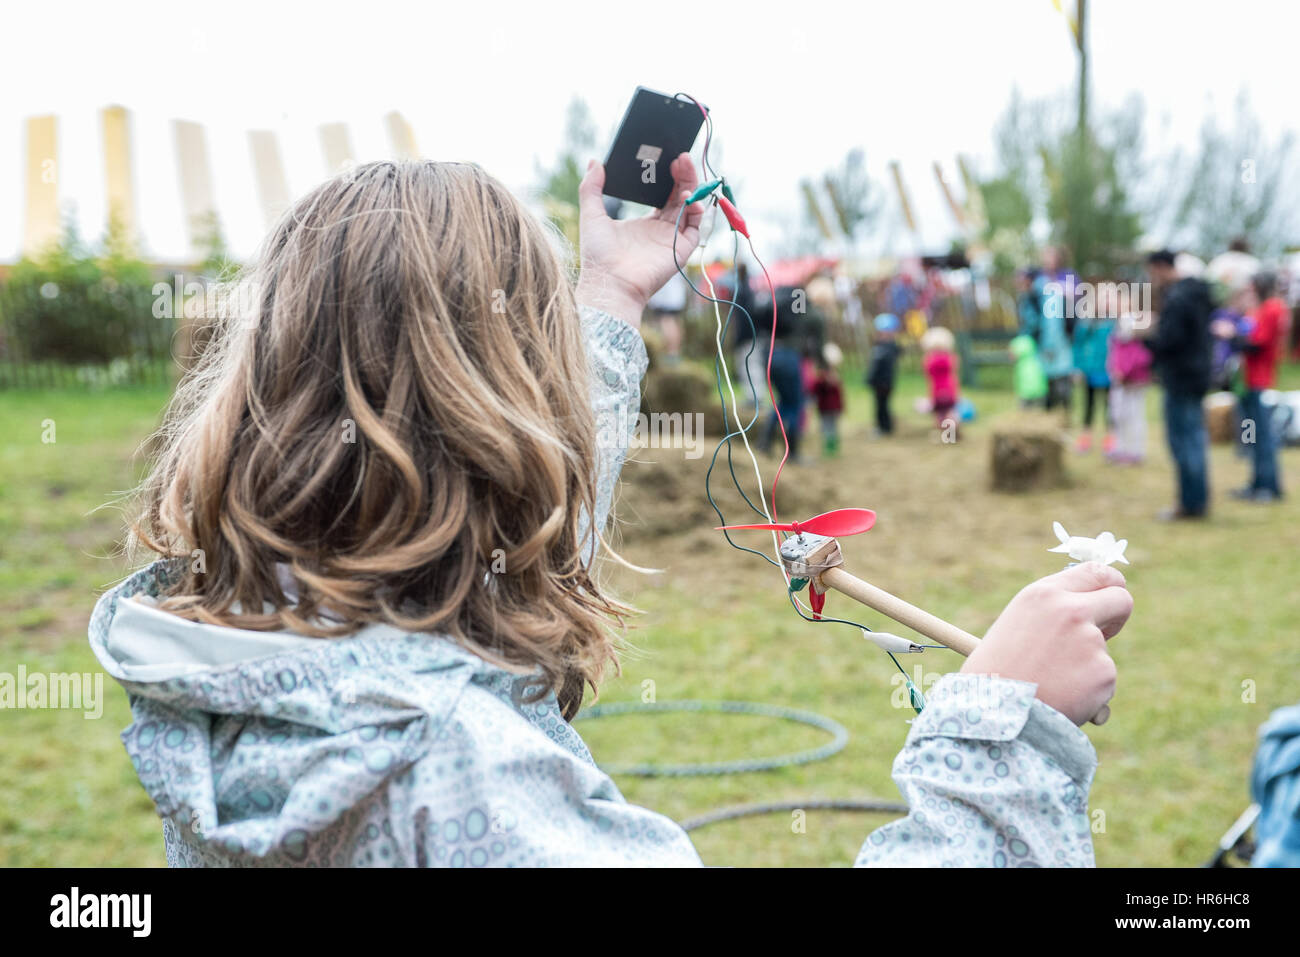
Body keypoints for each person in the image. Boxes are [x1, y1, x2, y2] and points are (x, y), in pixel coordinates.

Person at [88, 156, 1132, 867]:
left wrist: (608, 298)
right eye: (533, 350)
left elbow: (484, 563)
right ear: (496, 398)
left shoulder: (241, 643)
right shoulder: (453, 766)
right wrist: (1002, 733)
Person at [1145, 249, 1215, 520]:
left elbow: (1169, 342)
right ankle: (1196, 500)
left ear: (1162, 267)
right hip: (1197, 375)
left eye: (1153, 272)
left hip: (1180, 377)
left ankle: (1190, 504)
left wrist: (1145, 337)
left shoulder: (1178, 297)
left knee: (1183, 441)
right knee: (1194, 438)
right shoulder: (1198, 294)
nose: (1153, 279)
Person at [1224, 272, 1287, 501]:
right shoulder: (1259, 309)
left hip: (1259, 382)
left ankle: (1268, 486)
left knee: (1262, 435)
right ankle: (1257, 481)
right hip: (1247, 382)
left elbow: (1257, 344)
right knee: (1250, 434)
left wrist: (1232, 335)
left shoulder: (1272, 308)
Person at [1106, 310, 1153, 465]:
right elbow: (1113, 359)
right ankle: (1120, 448)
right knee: (1118, 416)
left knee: (1135, 416)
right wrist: (1116, 372)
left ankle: (1135, 450)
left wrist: (1124, 372)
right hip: (1120, 385)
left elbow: (1139, 361)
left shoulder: (1139, 345)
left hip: (1134, 385)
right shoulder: (1116, 342)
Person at [1072, 304, 1116, 453]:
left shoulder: (1112, 324)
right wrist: (1077, 367)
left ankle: (1110, 440)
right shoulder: (1085, 325)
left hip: (1108, 372)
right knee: (1088, 406)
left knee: (1109, 407)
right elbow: (1078, 346)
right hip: (1089, 372)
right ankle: (1085, 439)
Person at [921, 325, 960, 439]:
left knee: (942, 413)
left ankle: (948, 434)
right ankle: (949, 434)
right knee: (946, 412)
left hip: (940, 390)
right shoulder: (950, 358)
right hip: (948, 389)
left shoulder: (935, 360)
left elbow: (928, 370)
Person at [866, 312, 901, 435]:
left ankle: (884, 428)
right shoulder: (882, 347)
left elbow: (877, 366)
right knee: (881, 406)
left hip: (883, 383)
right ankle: (885, 425)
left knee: (882, 407)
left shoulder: (886, 349)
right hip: (881, 383)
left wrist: (871, 379)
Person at [810, 350, 844, 456]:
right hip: (825, 409)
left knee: (832, 428)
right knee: (826, 428)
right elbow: (814, 390)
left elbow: (839, 395)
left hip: (831, 409)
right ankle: (829, 448)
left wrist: (841, 407)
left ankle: (832, 447)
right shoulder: (821, 381)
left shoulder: (835, 380)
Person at [1010, 332, 1048, 408]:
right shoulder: (1032, 344)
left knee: (1024, 412)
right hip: (1040, 390)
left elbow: (1012, 357)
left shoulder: (1016, 343)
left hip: (1025, 392)